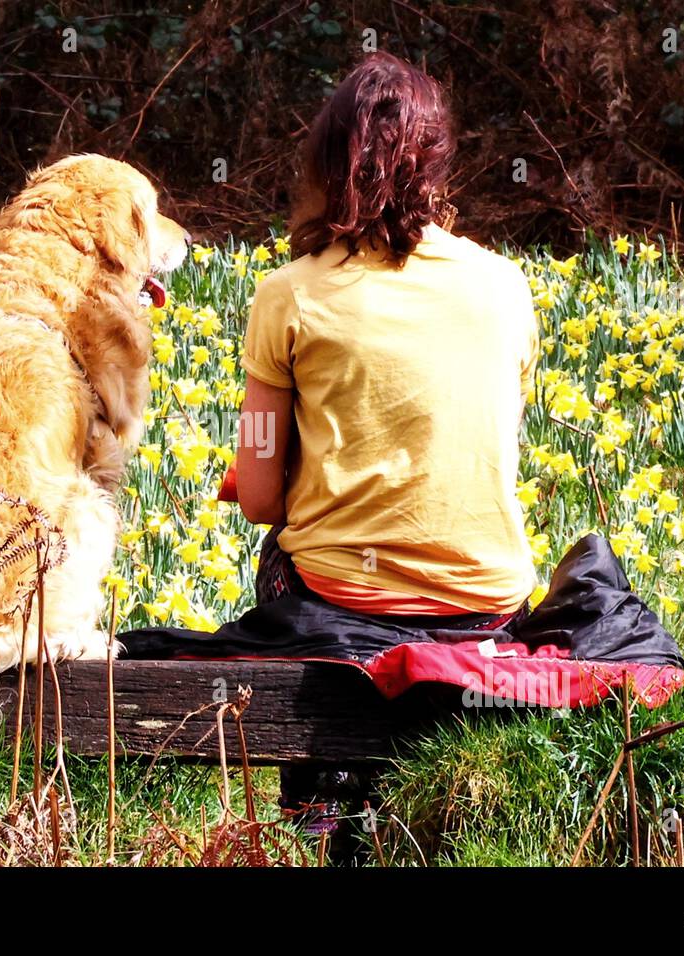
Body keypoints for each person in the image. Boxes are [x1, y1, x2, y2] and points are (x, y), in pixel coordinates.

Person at [234, 52, 540, 858]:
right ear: (437, 161)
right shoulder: (506, 285)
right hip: (486, 607)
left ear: (325, 164)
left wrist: (287, 475)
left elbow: (261, 493)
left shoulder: (289, 294)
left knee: (281, 555)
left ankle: (325, 802)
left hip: (343, 605)